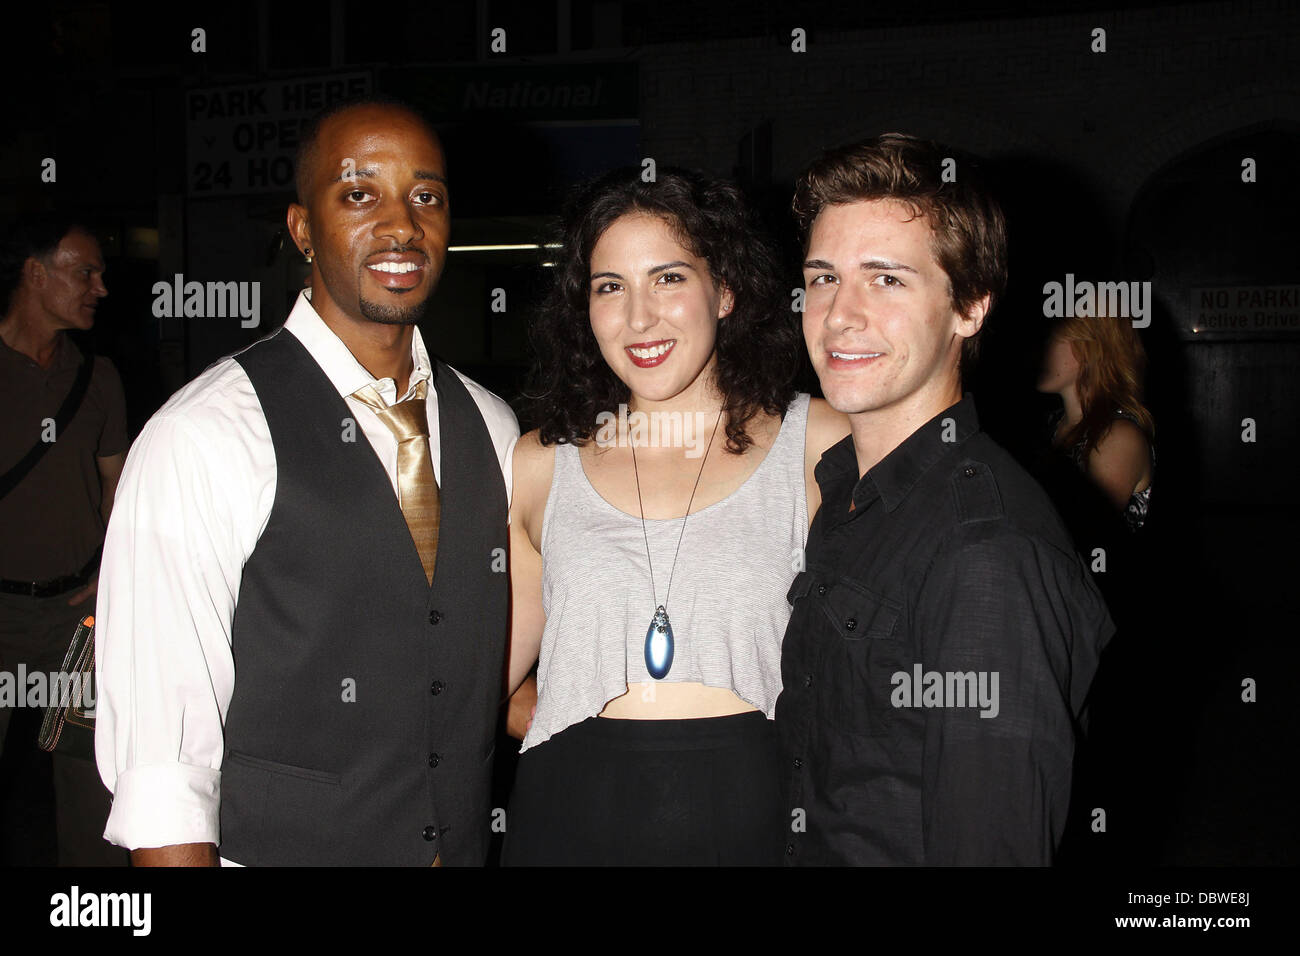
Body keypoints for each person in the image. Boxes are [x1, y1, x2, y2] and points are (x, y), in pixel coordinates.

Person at [93, 98, 519, 866]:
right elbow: (162, 765)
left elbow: (477, 676)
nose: (402, 225)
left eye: (427, 196)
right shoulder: (204, 436)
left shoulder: (494, 427)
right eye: (360, 194)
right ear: (301, 230)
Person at [776, 133, 1114, 865]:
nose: (840, 314)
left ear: (970, 306)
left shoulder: (986, 554)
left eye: (887, 279)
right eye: (824, 277)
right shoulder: (846, 490)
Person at [500, 167, 849, 865]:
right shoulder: (539, 463)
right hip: (567, 821)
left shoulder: (818, 443)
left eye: (668, 279)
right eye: (609, 288)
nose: (638, 318)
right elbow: (482, 678)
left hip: (757, 821)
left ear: (725, 290)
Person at [0, 215, 128, 866]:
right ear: (35, 274)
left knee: (92, 783)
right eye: (85, 272)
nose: (100, 287)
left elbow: (120, 490)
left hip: (77, 618)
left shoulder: (99, 378)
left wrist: (110, 576)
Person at [1036, 313, 1155, 532]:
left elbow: (1085, 531)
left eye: (1052, 338)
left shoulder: (1118, 436)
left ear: (1091, 349)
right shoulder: (1049, 425)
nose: (1040, 349)